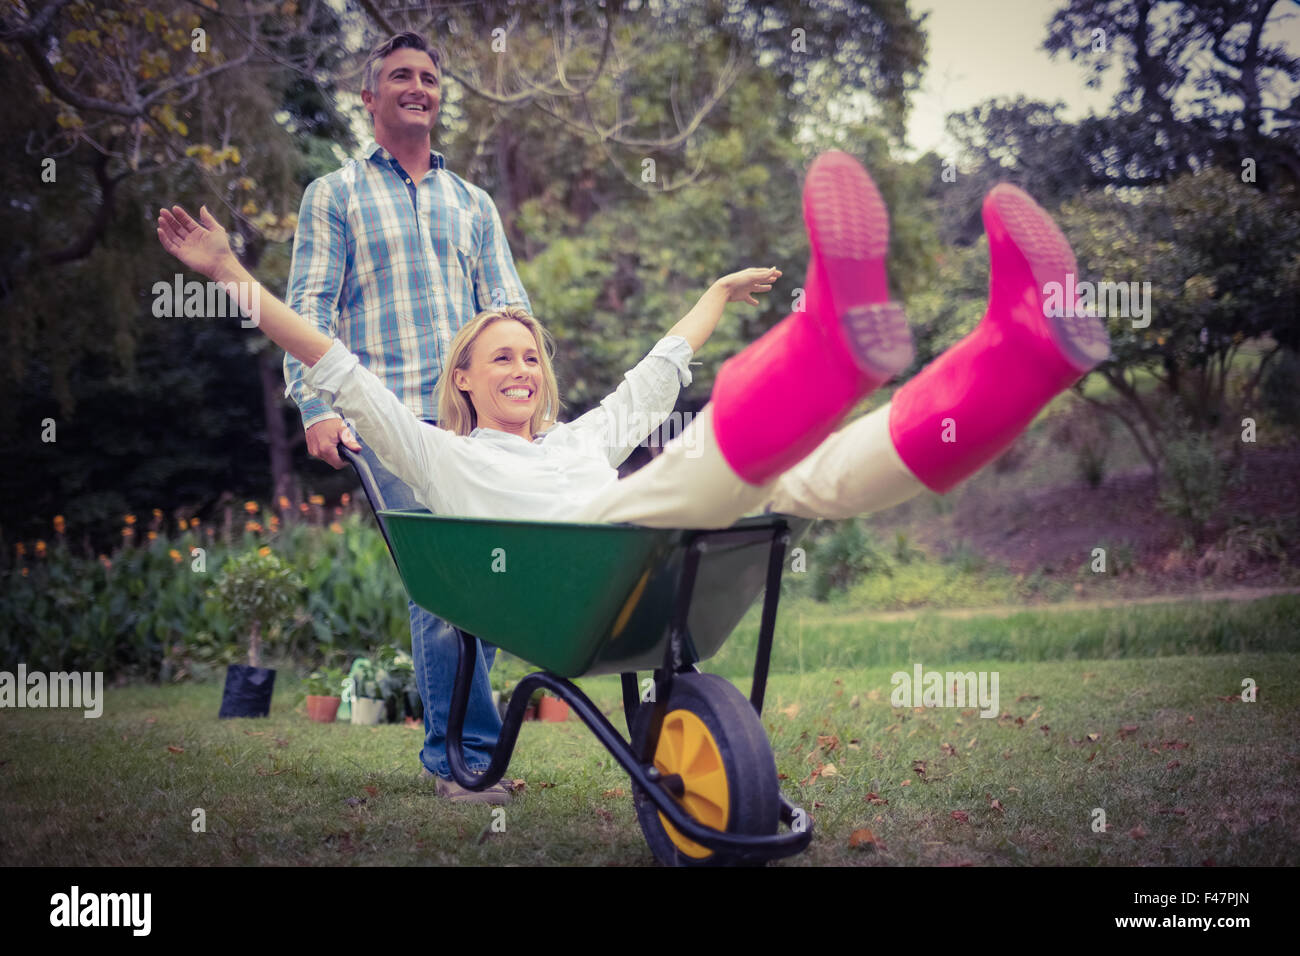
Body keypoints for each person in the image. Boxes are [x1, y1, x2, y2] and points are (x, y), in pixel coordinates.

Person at [157, 150, 1109, 623]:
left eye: (531, 355)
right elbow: (336, 363)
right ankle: (821, 345)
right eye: (501, 358)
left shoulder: (577, 441)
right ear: (463, 380)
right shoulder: (437, 453)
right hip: (570, 588)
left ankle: (1017, 360)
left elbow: (653, 381)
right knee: (686, 473)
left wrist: (712, 297)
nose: (524, 368)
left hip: (652, 564)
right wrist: (234, 278)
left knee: (802, 479)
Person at [281, 33, 532, 803]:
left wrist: (529, 403)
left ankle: (468, 749)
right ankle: (462, 761)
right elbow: (309, 311)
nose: (417, 86)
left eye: (428, 76)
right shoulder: (336, 194)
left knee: (487, 583)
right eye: (399, 76)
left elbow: (508, 311)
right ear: (370, 97)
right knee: (443, 583)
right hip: (389, 425)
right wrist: (318, 405)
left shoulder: (473, 204)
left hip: (473, 427)